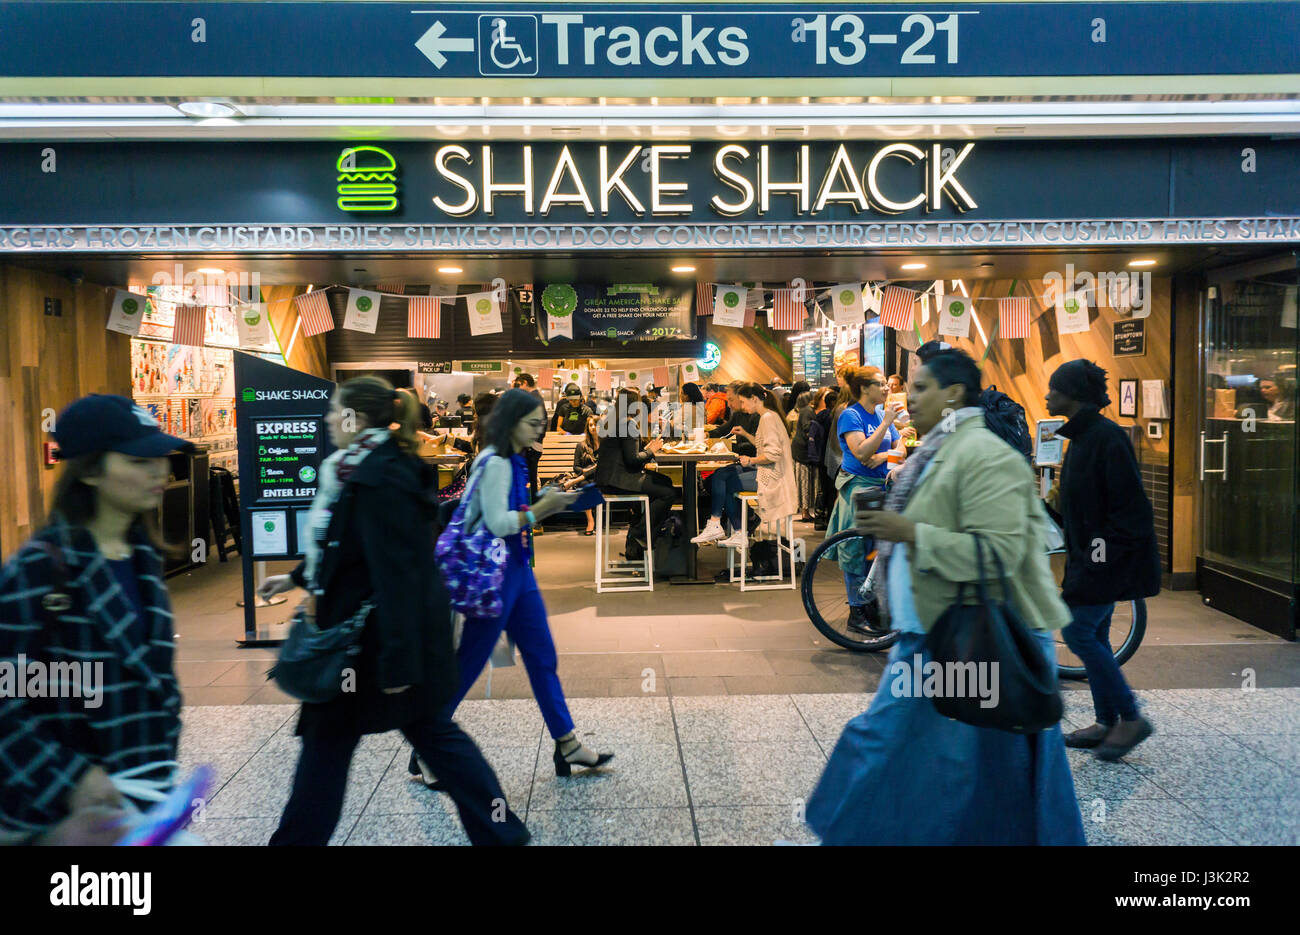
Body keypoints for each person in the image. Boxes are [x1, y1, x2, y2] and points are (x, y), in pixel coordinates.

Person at [807, 350, 1084, 845]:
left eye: (920, 388)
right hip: (940, 634)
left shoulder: (983, 455)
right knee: (956, 759)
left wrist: (907, 531)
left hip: (978, 639)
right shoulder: (943, 448)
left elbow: (997, 554)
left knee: (910, 749)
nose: (908, 398)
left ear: (953, 394)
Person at [259, 377, 529, 846]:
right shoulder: (362, 468)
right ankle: (502, 834)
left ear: (355, 418)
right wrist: (299, 577)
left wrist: (401, 660)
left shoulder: (377, 476)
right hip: (377, 641)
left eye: (334, 412)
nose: (327, 420)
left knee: (333, 751)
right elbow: (347, 545)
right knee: (431, 739)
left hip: (372, 645)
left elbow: (400, 573)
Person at [0, 395, 190, 845]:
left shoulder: (142, 558)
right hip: (62, 819)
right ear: (89, 471)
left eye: (160, 457)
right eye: (137, 460)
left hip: (139, 803)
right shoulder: (39, 571)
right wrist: (71, 780)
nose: (159, 472)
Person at [439, 389, 613, 777]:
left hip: (516, 573)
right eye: (533, 422)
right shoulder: (497, 461)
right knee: (469, 663)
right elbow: (499, 524)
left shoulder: (511, 459)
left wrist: (550, 502)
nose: (540, 428)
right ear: (511, 421)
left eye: (542, 422)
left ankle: (566, 743)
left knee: (542, 657)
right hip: (497, 577)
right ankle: (429, 745)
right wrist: (542, 509)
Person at [1046, 360, 1160, 761]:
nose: (1047, 396)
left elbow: (1130, 510)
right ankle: (1105, 721)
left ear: (1073, 395)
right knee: (1093, 637)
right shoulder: (1081, 438)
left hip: (1102, 561)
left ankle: (1130, 717)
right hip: (1089, 557)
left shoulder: (1106, 438)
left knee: (1078, 635)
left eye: (1054, 390)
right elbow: (1085, 506)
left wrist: (1100, 560)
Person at [825, 368, 902, 633]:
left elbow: (902, 446)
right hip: (858, 488)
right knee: (856, 549)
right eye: (879, 384)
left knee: (876, 549)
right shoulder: (851, 415)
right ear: (863, 388)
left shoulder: (883, 414)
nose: (886, 388)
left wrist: (882, 457)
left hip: (883, 486)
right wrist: (884, 427)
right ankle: (856, 612)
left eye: (885, 383)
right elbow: (861, 452)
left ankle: (872, 606)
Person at [594, 387, 675, 554]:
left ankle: (639, 541)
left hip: (607, 479)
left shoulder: (613, 420)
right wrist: (651, 451)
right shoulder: (628, 423)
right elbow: (632, 461)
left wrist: (646, 449)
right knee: (668, 492)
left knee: (665, 482)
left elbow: (626, 455)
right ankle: (639, 534)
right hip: (619, 480)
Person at [725, 383, 798, 561]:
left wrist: (751, 460)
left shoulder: (767, 418)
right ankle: (740, 526)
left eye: (743, 402)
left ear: (754, 399)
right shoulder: (769, 416)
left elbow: (772, 454)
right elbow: (764, 445)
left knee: (725, 480)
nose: (742, 407)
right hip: (771, 474)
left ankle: (740, 529)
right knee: (724, 476)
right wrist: (746, 434)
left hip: (773, 479)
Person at [692, 381, 761, 546]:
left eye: (731, 400)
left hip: (757, 468)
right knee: (711, 482)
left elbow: (757, 447)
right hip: (746, 464)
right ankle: (740, 523)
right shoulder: (738, 415)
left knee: (721, 479)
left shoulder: (761, 417)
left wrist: (730, 447)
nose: (728, 404)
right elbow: (725, 429)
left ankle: (725, 524)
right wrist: (708, 435)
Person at [563, 415, 601, 535]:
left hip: (601, 478)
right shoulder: (581, 446)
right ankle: (591, 520)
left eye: (595, 424)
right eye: (590, 425)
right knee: (585, 485)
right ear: (587, 428)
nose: (593, 427)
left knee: (596, 471)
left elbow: (604, 467)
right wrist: (585, 472)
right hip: (586, 480)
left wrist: (587, 471)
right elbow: (576, 467)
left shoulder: (606, 445)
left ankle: (573, 482)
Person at [512, 372, 546, 505]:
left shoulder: (532, 399)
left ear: (525, 383)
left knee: (529, 479)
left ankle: (531, 513)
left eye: (519, 385)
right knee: (530, 479)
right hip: (534, 445)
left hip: (531, 446)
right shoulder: (536, 398)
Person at [789, 391, 817, 522]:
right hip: (802, 452)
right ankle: (805, 512)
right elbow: (807, 428)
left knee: (804, 481)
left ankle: (805, 511)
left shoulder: (802, 411)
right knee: (804, 481)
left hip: (801, 450)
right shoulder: (807, 410)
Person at [811, 387, 836, 529]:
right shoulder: (831, 417)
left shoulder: (819, 416)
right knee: (831, 490)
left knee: (824, 488)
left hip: (821, 457)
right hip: (831, 456)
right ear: (833, 402)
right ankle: (829, 519)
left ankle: (820, 518)